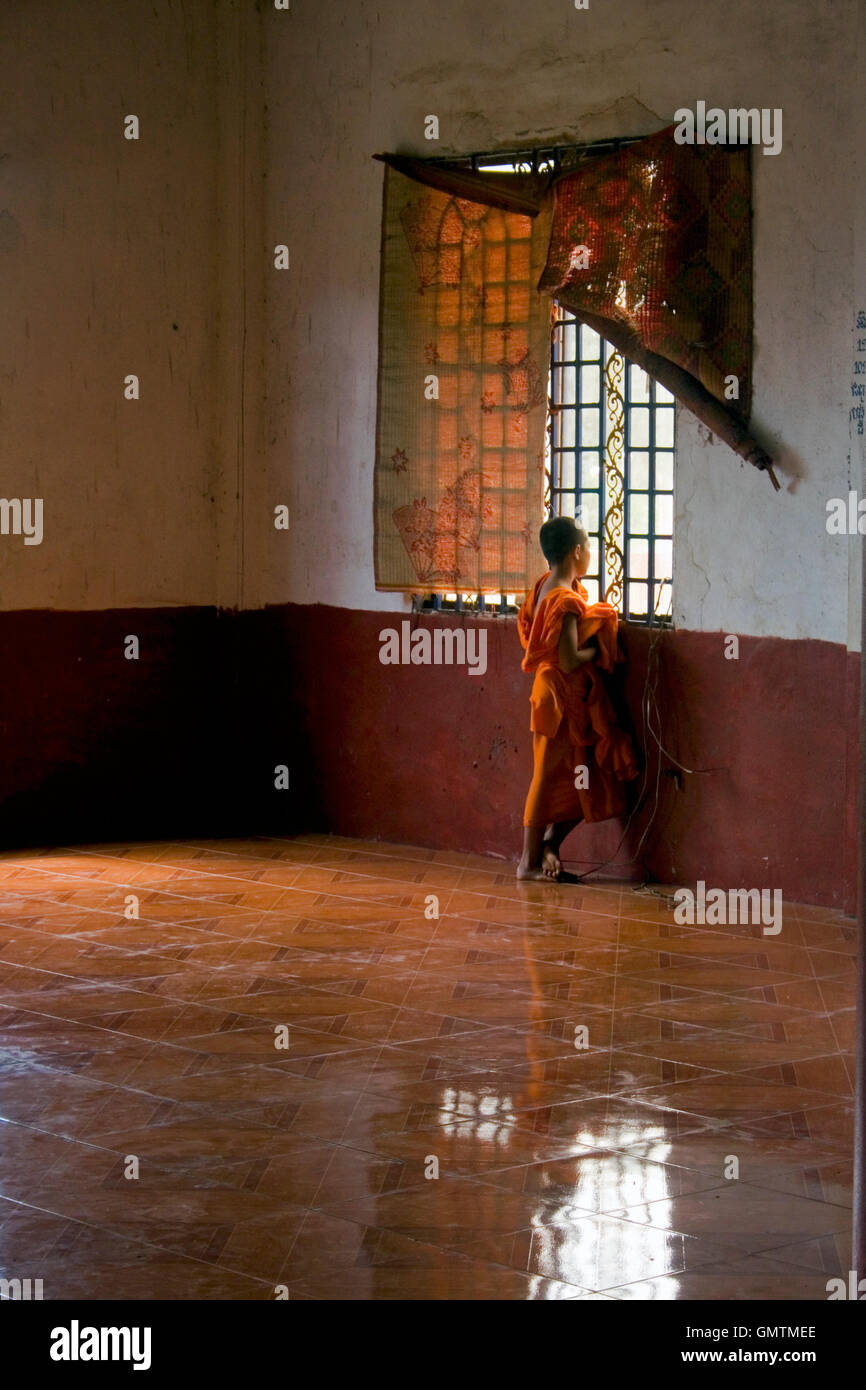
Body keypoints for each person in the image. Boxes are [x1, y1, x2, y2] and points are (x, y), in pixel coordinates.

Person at [516, 515, 639, 881]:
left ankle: (550, 845)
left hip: (551, 693)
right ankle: (528, 862)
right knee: (546, 777)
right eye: (588, 547)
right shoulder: (565, 601)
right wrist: (597, 650)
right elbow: (569, 658)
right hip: (559, 697)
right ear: (577, 552)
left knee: (585, 774)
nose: (590, 555)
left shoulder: (543, 587)